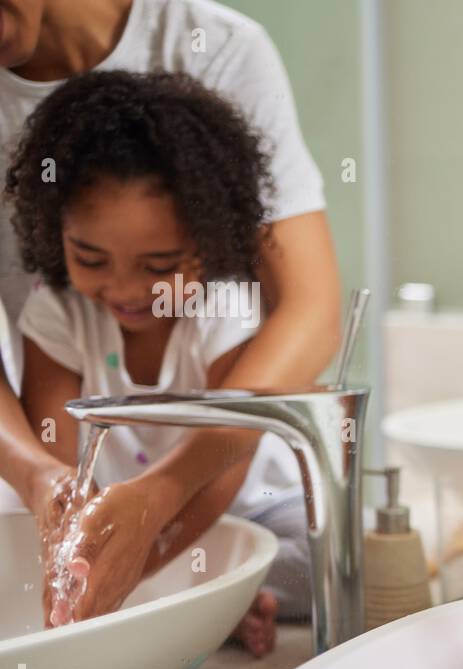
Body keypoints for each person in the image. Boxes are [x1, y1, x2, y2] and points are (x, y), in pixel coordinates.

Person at [0, 0, 340, 632]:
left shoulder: (222, 311)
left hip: (239, 500)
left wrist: (148, 567)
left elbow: (226, 459)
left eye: (158, 265)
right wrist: (60, 508)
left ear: (209, 246)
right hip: (128, 505)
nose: (124, 288)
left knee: (302, 571)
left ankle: (226, 599)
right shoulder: (57, 316)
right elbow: (57, 454)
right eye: (90, 258)